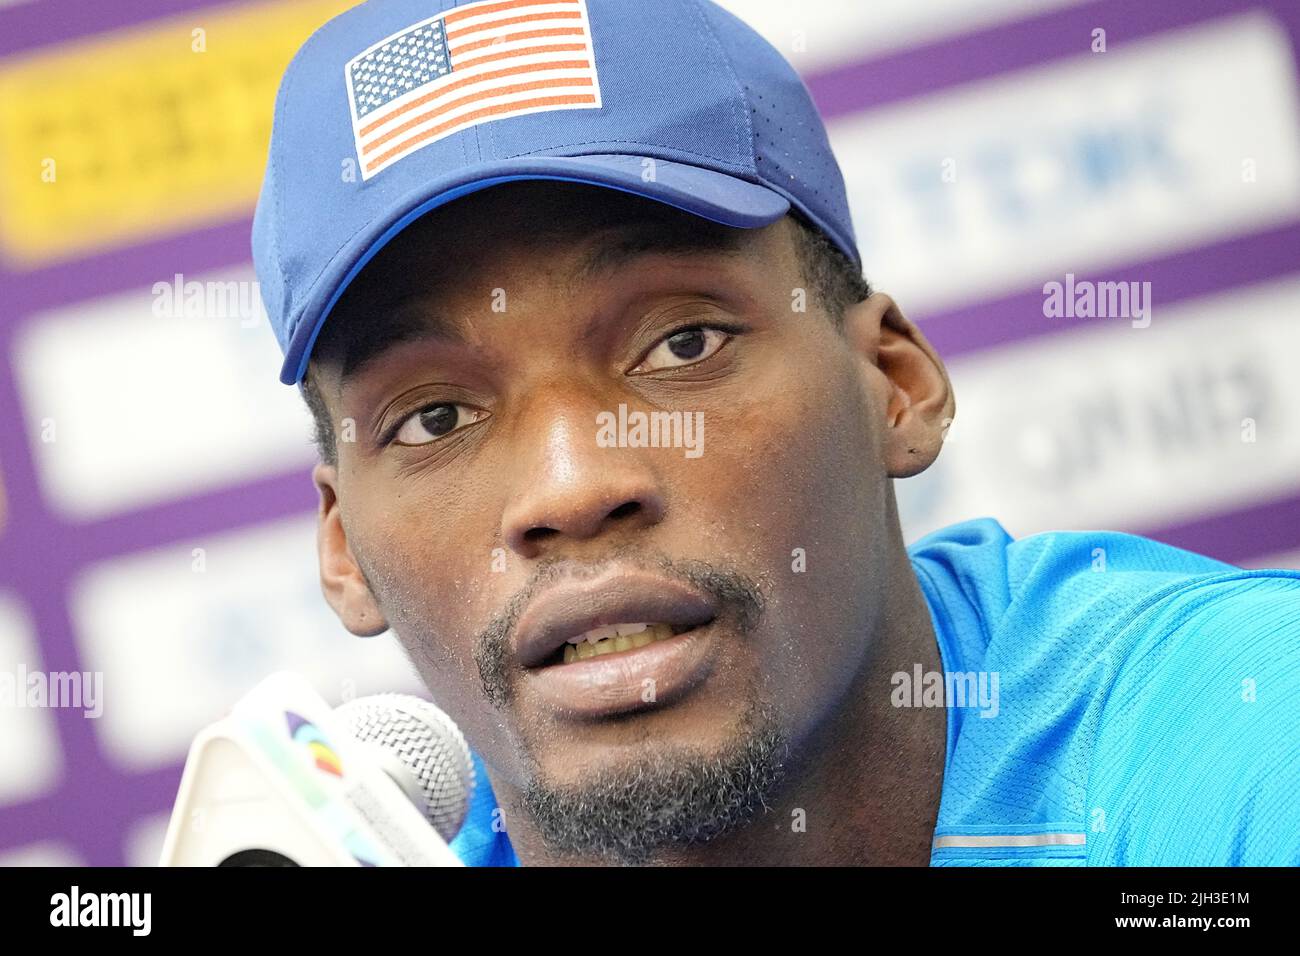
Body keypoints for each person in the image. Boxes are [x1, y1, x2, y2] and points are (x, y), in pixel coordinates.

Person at [252, 0, 1300, 865]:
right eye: (434, 416)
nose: (572, 485)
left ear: (892, 384)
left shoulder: (1238, 747)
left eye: (681, 342)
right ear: (343, 551)